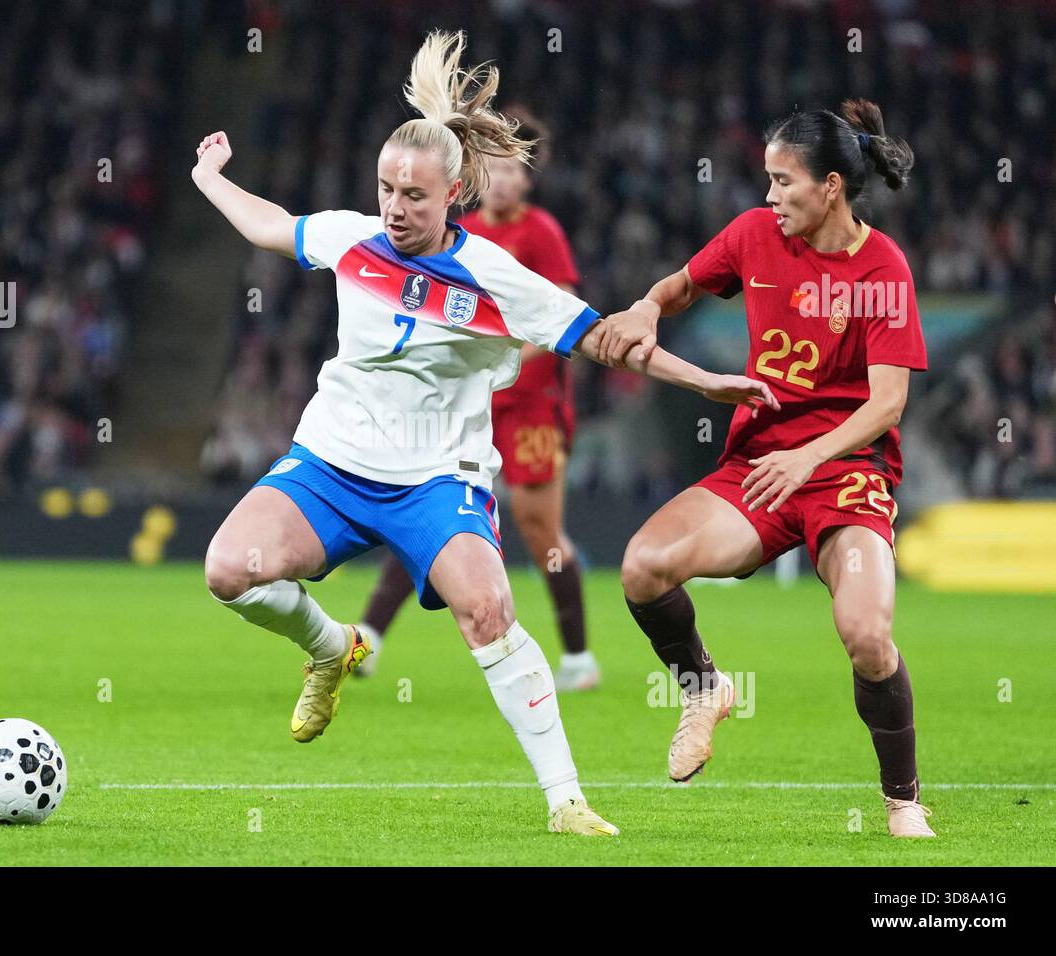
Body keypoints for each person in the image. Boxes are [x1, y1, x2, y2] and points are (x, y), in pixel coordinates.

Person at [194, 30, 775, 835]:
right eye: (387, 189)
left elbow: (609, 339)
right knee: (229, 570)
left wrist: (706, 380)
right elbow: (270, 225)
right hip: (329, 462)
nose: (396, 207)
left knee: (489, 610)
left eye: (414, 196)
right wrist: (207, 177)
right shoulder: (351, 237)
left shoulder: (499, 280)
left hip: (439, 477)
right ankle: (333, 649)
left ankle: (565, 800)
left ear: (455, 193)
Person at [616, 99, 933, 837]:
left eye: (781, 180)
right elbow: (680, 285)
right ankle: (705, 688)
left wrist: (810, 457)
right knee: (641, 567)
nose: (767, 196)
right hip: (760, 466)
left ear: (830, 187)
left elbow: (887, 404)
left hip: (847, 471)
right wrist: (645, 308)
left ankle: (903, 798)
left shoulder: (882, 266)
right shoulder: (754, 235)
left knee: (866, 634)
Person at [355, 112, 601, 691]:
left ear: (529, 179)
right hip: (470, 404)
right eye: (494, 169)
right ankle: (369, 637)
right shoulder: (455, 234)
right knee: (427, 511)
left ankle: (578, 657)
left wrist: (494, 367)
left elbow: (558, 322)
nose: (503, 180)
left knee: (540, 532)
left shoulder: (540, 231)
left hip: (531, 406)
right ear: (473, 176)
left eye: (515, 169)